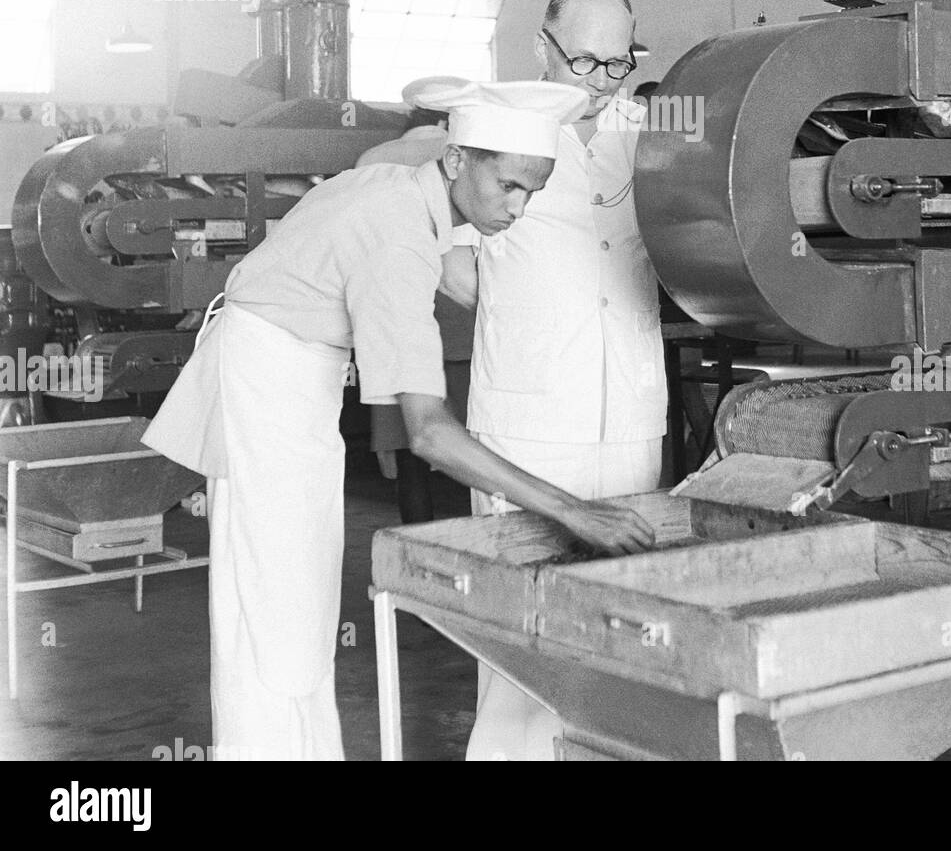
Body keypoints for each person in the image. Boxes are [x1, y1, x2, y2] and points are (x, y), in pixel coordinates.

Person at [143, 79, 654, 761]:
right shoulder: (401, 243)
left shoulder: (395, 183)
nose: (520, 207)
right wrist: (572, 510)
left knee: (290, 598)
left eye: (535, 189)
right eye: (507, 185)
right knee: (278, 610)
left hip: (285, 380)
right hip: (271, 390)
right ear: (456, 161)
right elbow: (429, 433)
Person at [439, 0, 670, 761]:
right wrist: (499, 294)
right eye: (586, 61)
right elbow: (440, 236)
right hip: (531, 426)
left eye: (620, 62)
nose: (604, 82)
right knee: (523, 642)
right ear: (543, 47)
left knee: (620, 628)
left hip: (631, 415)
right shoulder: (498, 127)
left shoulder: (649, 130)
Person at [355, 109, 475, 523]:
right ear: (446, 124)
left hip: (395, 326)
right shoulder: (456, 151)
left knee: (410, 458)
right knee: (472, 449)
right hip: (462, 325)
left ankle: (417, 541)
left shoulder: (373, 156)